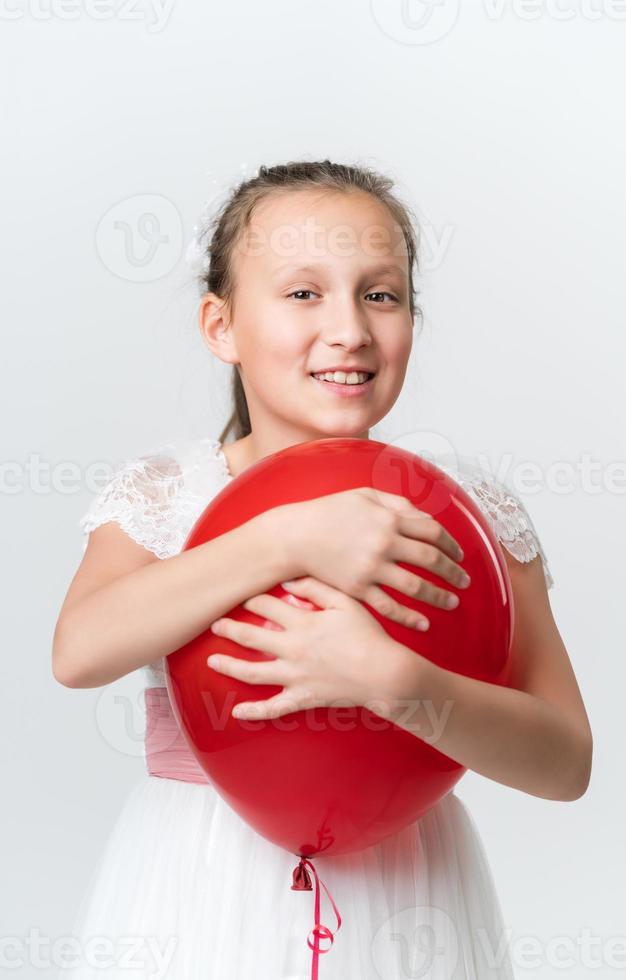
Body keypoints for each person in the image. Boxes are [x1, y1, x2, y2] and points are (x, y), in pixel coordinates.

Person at [53, 159, 593, 979]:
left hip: (405, 891)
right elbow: (78, 652)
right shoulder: (174, 489)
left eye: (380, 293)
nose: (349, 328)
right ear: (220, 324)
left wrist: (399, 685)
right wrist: (285, 539)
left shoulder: (466, 512)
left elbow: (565, 761)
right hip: (201, 883)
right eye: (303, 292)